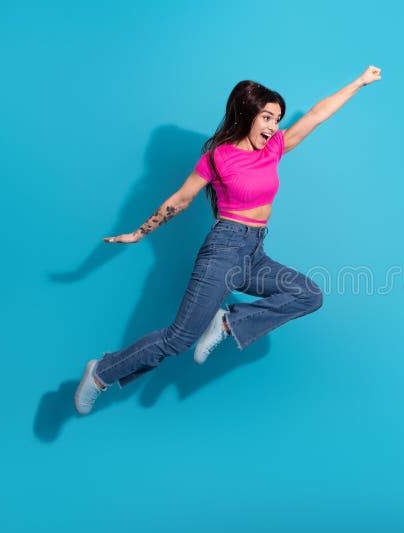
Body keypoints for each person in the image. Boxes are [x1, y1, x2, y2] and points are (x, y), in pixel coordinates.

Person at [74, 65, 382, 415]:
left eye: (277, 119)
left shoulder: (274, 149)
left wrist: (359, 82)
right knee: (179, 338)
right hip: (223, 252)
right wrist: (138, 233)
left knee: (308, 294)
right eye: (266, 117)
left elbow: (316, 114)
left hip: (254, 253)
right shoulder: (218, 158)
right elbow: (180, 199)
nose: (272, 127)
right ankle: (101, 372)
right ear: (247, 113)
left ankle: (227, 322)